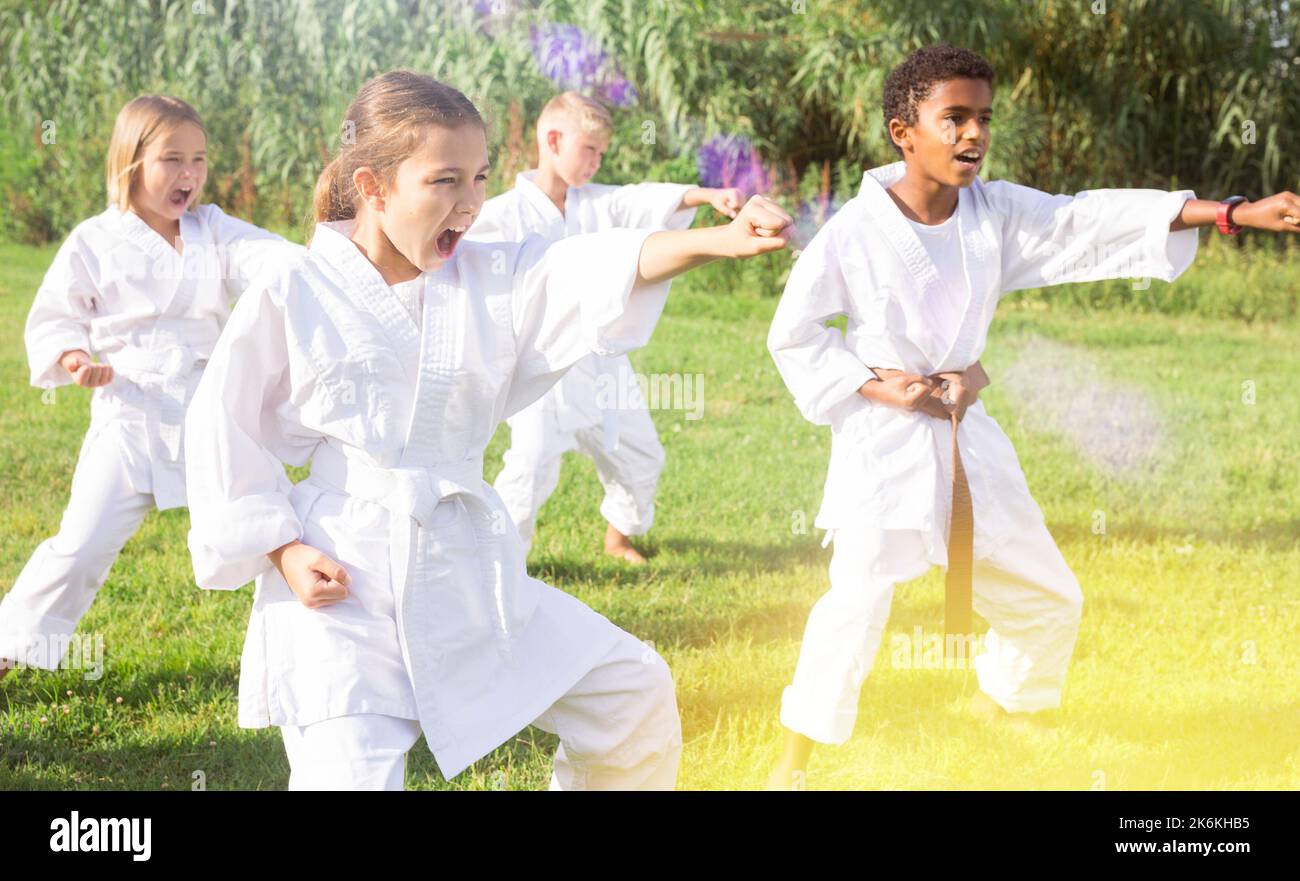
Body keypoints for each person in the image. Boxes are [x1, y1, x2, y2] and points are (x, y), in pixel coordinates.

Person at [183, 70, 792, 790]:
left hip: (464, 569)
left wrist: (720, 240)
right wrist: (280, 548)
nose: (471, 205)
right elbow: (220, 423)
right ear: (374, 186)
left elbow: (588, 269)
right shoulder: (296, 290)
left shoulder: (490, 277)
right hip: (342, 582)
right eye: (444, 181)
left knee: (632, 694)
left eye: (477, 178)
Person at [764, 43, 1300, 789]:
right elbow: (791, 333)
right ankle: (793, 762)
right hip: (883, 445)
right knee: (853, 604)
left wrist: (1232, 212)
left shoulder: (996, 212)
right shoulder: (855, 231)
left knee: (1050, 595)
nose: (973, 135)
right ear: (902, 131)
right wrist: (881, 388)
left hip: (963, 433)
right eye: (953, 118)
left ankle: (1005, 706)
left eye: (982, 118)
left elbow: (1088, 221)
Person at [0, 95, 284, 682]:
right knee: (79, 546)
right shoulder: (95, 240)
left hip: (210, 413)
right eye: (172, 160)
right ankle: (7, 647)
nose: (190, 176)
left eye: (200, 160)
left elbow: (272, 259)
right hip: (129, 414)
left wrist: (329, 259)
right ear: (131, 162)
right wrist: (76, 358)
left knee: (272, 526)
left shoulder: (213, 231)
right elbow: (56, 316)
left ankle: (304, 653)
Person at [468, 90, 745, 564]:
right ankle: (502, 562)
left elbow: (638, 201)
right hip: (540, 372)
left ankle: (619, 539)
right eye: (589, 150)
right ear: (553, 139)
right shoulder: (499, 216)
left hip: (601, 364)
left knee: (641, 456)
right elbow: (470, 281)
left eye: (602, 153)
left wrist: (707, 195)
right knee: (530, 469)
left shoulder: (594, 204)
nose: (596, 162)